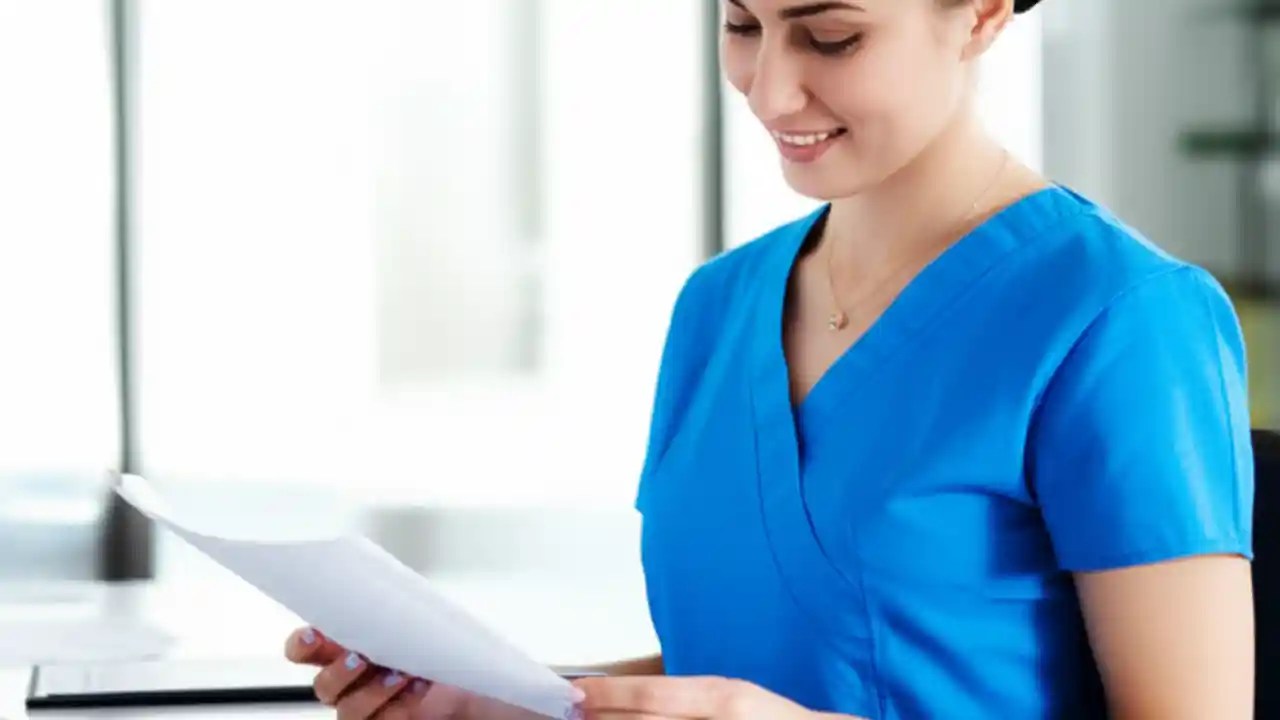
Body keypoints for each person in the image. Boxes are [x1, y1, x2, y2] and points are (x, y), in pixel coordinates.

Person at [284, 0, 1257, 717]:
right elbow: (750, 671)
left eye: (830, 37)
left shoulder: (1121, 317)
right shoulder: (718, 305)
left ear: (981, 15)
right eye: (741, 24)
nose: (768, 87)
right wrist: (496, 702)